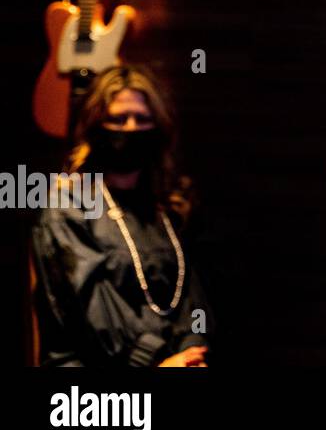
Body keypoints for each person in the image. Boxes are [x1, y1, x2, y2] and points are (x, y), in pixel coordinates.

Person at [31, 65, 213, 367]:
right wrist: (156, 361)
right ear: (95, 126)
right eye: (117, 119)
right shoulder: (69, 207)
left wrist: (192, 351)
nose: (130, 128)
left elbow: (194, 294)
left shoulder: (168, 205)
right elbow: (91, 313)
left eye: (142, 119)